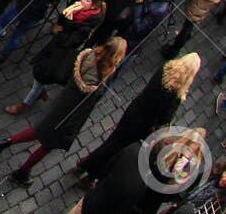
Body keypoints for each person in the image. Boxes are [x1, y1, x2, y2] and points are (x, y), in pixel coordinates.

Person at [0, 38, 126, 186]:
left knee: (37, 131)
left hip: (61, 102)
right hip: (68, 114)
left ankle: (6, 143)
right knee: (47, 144)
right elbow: (87, 101)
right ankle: (22, 172)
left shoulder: (90, 55)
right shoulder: (96, 77)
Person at [77, 52, 200, 182]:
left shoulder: (166, 68)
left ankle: (86, 163)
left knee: (113, 141)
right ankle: (92, 176)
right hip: (142, 125)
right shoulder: (175, 96)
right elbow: (164, 119)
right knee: (118, 151)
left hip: (135, 110)